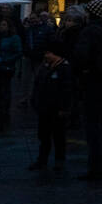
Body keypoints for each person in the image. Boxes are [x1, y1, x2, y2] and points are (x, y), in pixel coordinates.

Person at [62, 2, 102, 181]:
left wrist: (79, 69)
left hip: (93, 82)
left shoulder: (90, 31)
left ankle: (96, 166)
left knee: (93, 125)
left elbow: (80, 57)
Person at [27, 43, 73, 174]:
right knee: (44, 135)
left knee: (58, 135)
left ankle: (59, 160)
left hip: (56, 108)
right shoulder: (45, 66)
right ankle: (42, 159)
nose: (46, 55)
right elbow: (38, 84)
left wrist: (64, 108)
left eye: (49, 53)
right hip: (44, 107)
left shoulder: (64, 69)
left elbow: (67, 90)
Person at [0, 17, 21, 134]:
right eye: (1, 25)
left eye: (4, 25)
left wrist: (6, 60)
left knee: (5, 90)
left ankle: (4, 112)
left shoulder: (14, 38)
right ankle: (0, 112)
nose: (2, 27)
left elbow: (18, 52)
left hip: (6, 67)